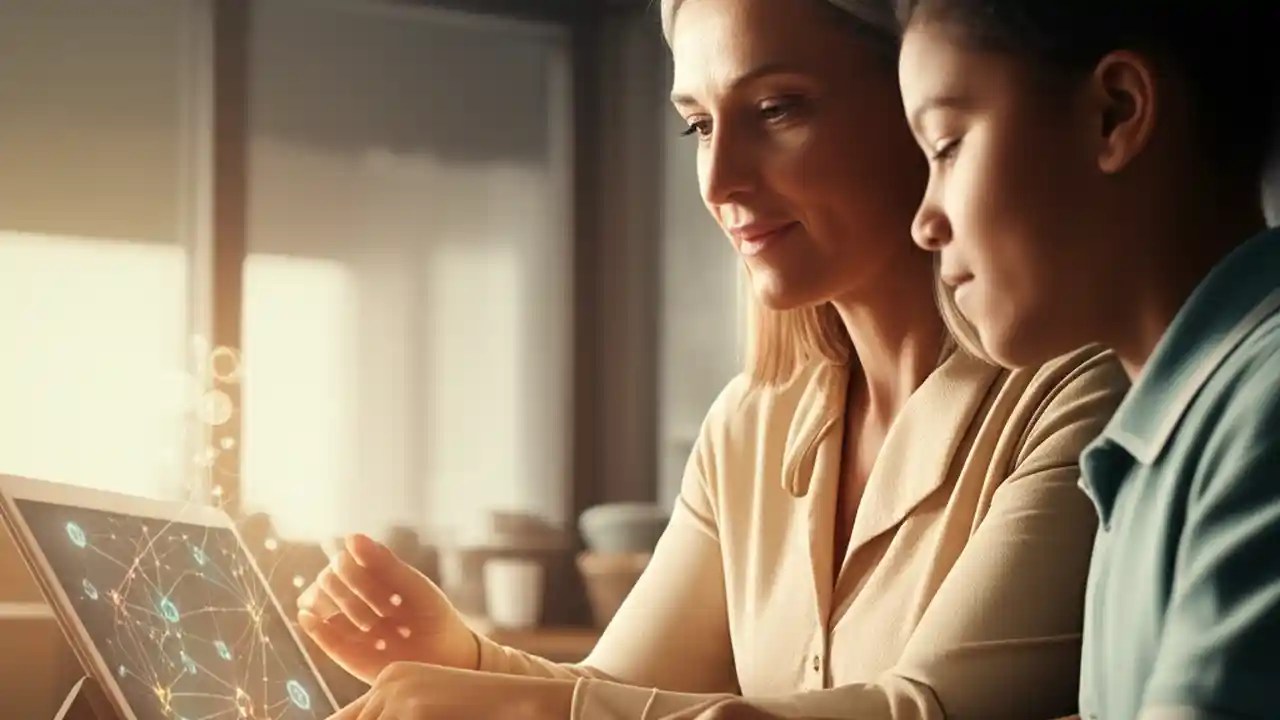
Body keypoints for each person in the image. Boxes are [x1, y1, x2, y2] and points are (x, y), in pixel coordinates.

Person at [307, 1, 1128, 718]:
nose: (719, 179)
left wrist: (511, 704)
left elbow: (926, 712)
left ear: (919, 104)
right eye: (698, 125)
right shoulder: (751, 424)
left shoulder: (1080, 393)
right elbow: (618, 693)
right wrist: (462, 659)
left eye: (776, 109)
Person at [897, 2, 1280, 718]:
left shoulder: (1263, 418)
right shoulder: (1151, 447)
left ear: (1115, 113)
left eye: (946, 147)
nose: (924, 223)